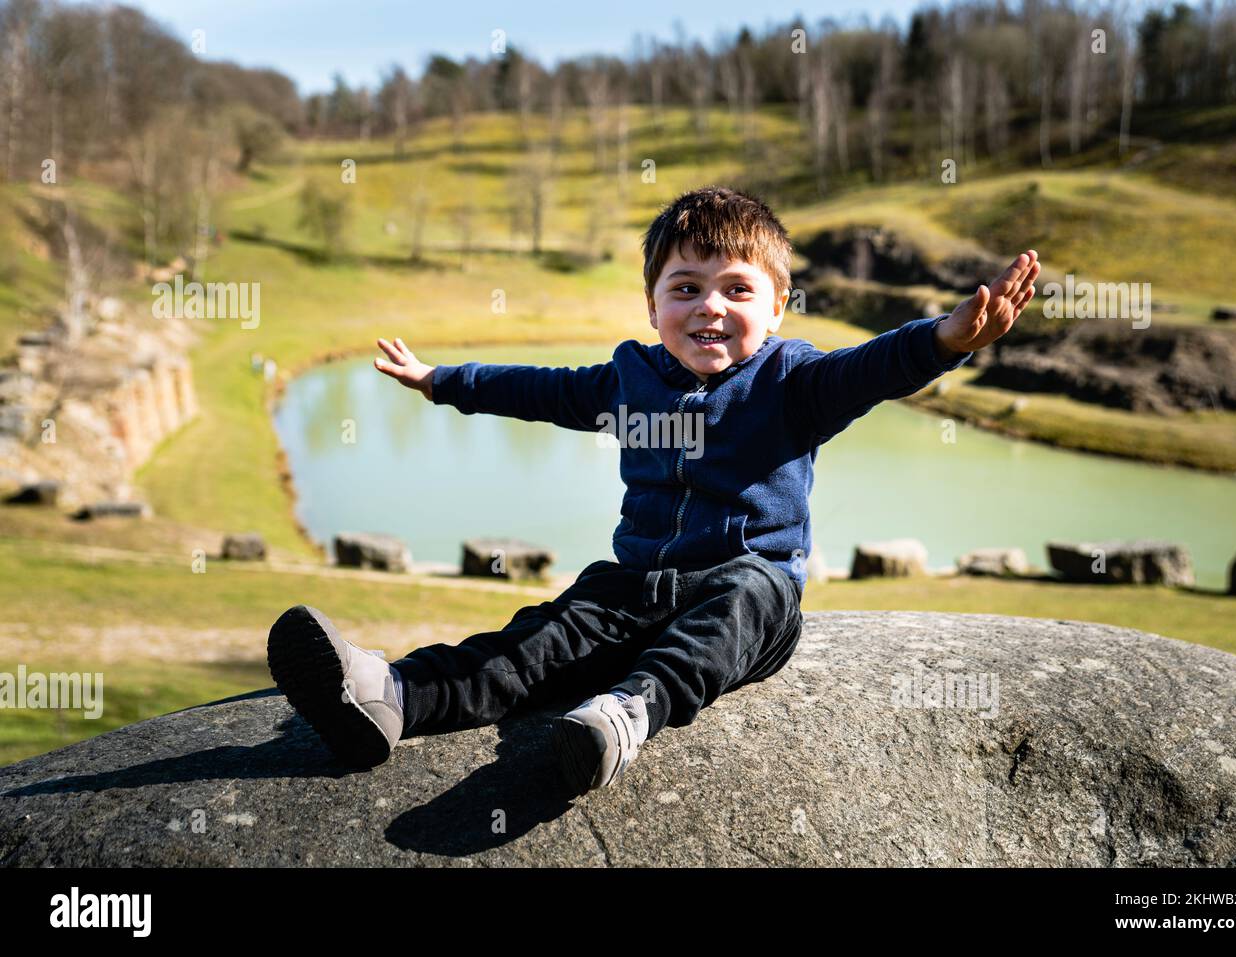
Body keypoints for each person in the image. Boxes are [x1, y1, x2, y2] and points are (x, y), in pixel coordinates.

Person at [267, 185, 1040, 796]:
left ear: (776, 309)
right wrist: (443, 382)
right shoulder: (629, 380)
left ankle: (627, 712)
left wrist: (946, 339)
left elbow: (875, 365)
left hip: (746, 598)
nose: (710, 305)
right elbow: (542, 391)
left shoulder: (793, 381)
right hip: (633, 589)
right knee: (539, 638)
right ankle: (391, 693)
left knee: (749, 589)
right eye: (686, 287)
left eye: (738, 290)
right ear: (653, 306)